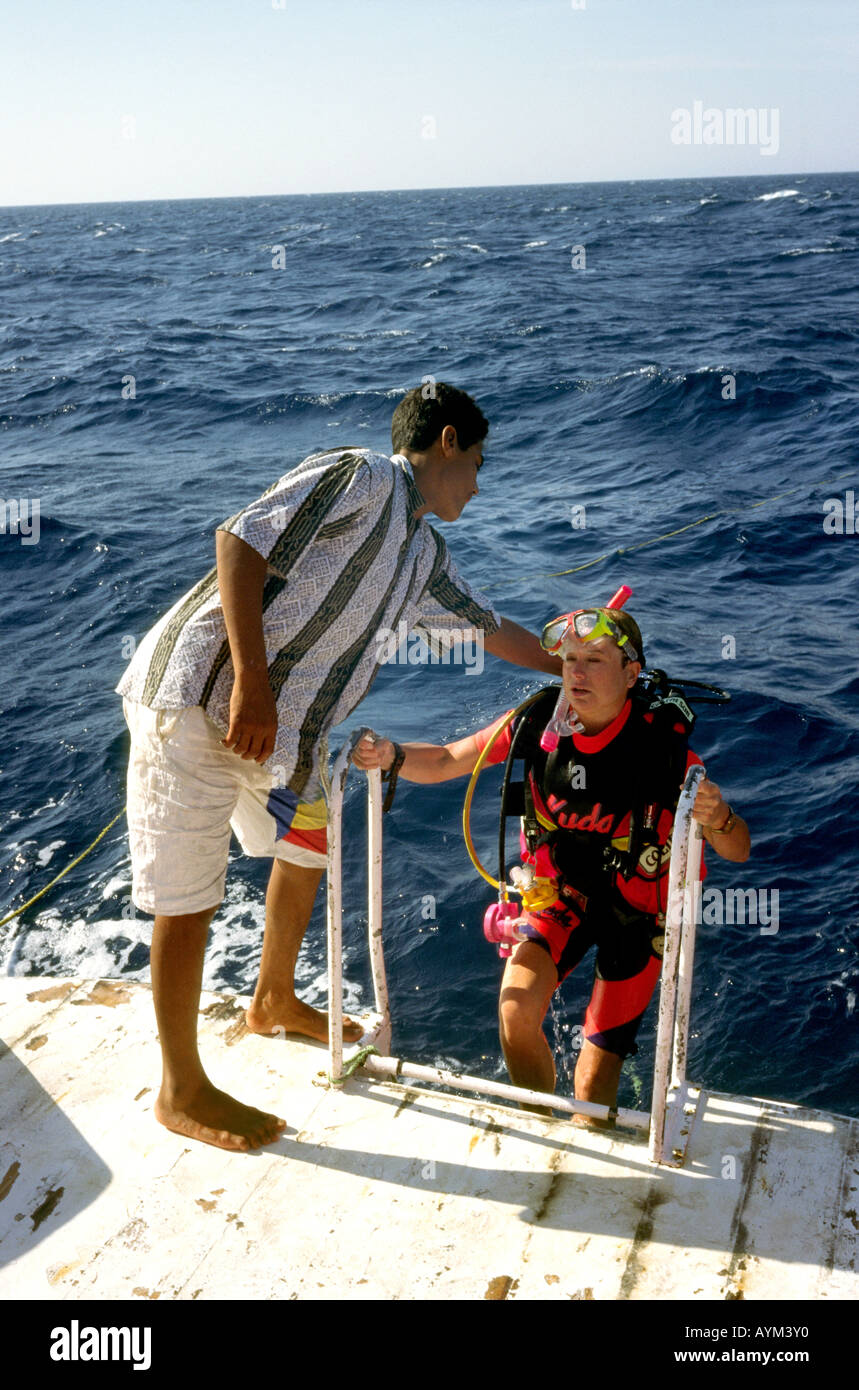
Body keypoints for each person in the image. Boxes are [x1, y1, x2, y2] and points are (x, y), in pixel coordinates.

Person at [116, 383, 562, 1151]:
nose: (482, 484)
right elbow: (240, 542)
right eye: (478, 462)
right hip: (201, 701)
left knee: (309, 839)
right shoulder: (361, 476)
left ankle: (272, 998)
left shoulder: (422, 554)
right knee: (188, 898)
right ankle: (180, 1086)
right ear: (447, 441)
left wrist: (577, 662)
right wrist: (253, 685)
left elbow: (486, 628)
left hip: (277, 737)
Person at [352, 604, 750, 1121]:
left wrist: (718, 817)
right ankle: (539, 1124)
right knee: (514, 1015)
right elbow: (451, 759)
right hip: (558, 896)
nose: (577, 673)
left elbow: (738, 848)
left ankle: (586, 1142)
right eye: (570, 660)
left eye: (595, 660)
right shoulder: (536, 722)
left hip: (635, 914)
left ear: (632, 673)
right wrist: (391, 756)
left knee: (591, 1088)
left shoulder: (665, 753)